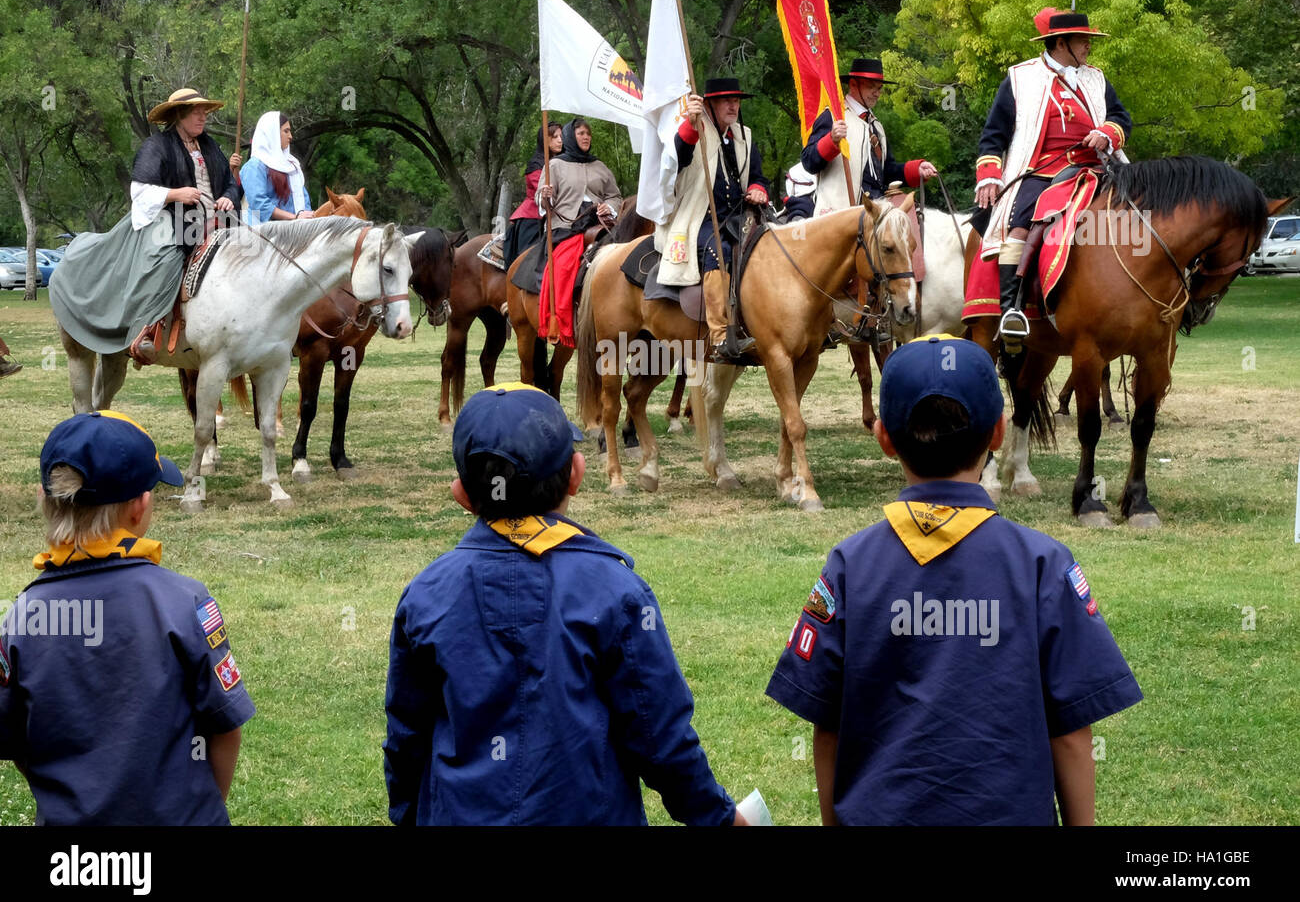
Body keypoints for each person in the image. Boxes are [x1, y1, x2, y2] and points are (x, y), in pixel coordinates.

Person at [765, 334, 1142, 825]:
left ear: (883, 437)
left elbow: (827, 724)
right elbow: (1070, 733)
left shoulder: (849, 565)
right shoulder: (1043, 564)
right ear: (999, 433)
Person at [384, 383, 745, 826]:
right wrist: (720, 818)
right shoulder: (616, 590)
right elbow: (661, 740)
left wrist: (405, 815)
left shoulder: (425, 594)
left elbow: (406, 737)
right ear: (577, 472)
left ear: (461, 493)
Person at [0, 411, 255, 825]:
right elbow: (224, 727)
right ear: (140, 506)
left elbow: (15, 741)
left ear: (46, 501)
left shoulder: (22, 616)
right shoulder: (183, 600)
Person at [49, 88, 240, 367]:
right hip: (170, 219)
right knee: (164, 256)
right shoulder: (157, 146)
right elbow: (139, 190)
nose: (203, 116)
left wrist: (228, 197)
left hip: (219, 221)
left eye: (204, 111)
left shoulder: (209, 146)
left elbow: (232, 184)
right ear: (179, 115)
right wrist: (176, 194)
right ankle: (147, 329)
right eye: (197, 111)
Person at [973, 9, 1131, 347]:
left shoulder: (1096, 78)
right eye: (1083, 40)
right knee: (1019, 225)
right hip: (1043, 170)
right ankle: (1010, 311)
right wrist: (989, 175)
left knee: (1142, 212)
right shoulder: (1020, 78)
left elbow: (1120, 116)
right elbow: (993, 136)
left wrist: (1108, 132)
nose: (1089, 46)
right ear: (1061, 43)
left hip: (1099, 168)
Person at [656, 78, 770, 361]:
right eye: (726, 101)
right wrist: (690, 126)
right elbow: (677, 159)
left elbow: (757, 176)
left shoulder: (745, 136)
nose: (734, 105)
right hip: (701, 216)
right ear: (710, 104)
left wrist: (758, 190)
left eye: (737, 100)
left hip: (740, 217)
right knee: (717, 249)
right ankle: (720, 335)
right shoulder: (694, 131)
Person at [527, 119, 623, 345]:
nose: (586, 137)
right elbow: (540, 200)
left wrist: (608, 207)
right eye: (581, 133)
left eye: (588, 134)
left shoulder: (600, 166)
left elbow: (615, 195)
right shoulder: (555, 166)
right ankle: (560, 321)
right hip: (567, 225)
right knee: (563, 264)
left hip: (600, 222)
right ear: (572, 136)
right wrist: (545, 195)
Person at [800, 57, 937, 215]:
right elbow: (809, 162)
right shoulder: (832, 117)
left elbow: (887, 172)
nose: (877, 93)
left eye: (879, 88)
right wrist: (831, 140)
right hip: (838, 217)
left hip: (872, 215)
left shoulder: (876, 126)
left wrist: (917, 170)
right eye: (871, 87)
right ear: (853, 85)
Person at [501, 122, 563, 269]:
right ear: (544, 140)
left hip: (560, 215)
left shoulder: (564, 162)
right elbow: (542, 190)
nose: (560, 140)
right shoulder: (535, 165)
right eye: (554, 137)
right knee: (528, 260)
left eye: (561, 136)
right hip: (533, 217)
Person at [240, 111, 315, 222]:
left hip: (297, 230)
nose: (290, 136)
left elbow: (304, 201)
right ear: (272, 133)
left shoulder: (291, 166)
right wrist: (294, 217)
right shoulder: (254, 166)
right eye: (286, 131)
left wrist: (306, 219)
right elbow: (259, 204)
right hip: (263, 233)